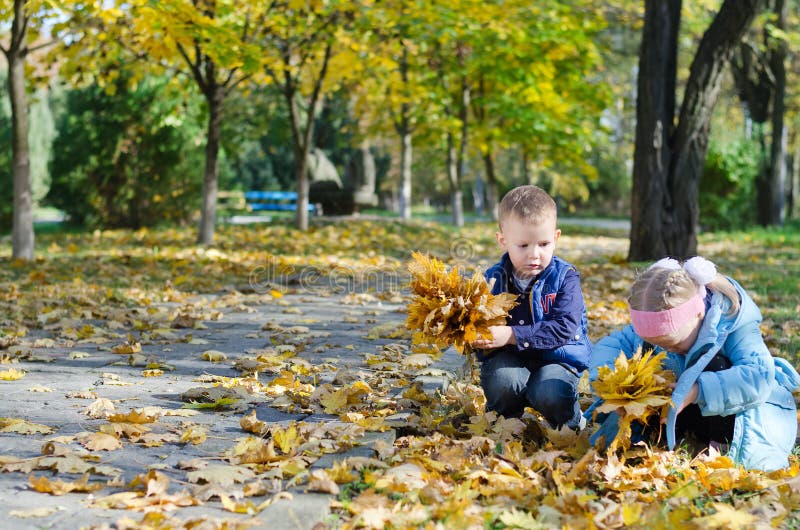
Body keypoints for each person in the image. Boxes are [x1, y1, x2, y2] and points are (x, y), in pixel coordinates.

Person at [588, 256, 800, 471]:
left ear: (698, 314)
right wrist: (612, 386)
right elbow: (609, 347)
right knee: (647, 364)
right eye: (658, 343)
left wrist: (697, 391)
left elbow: (758, 376)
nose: (667, 349)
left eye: (672, 343)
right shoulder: (656, 327)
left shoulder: (733, 322)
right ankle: (662, 439)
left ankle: (720, 448)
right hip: (681, 413)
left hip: (734, 414)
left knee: (716, 363)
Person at [472, 185, 592, 431]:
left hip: (558, 359)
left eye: (544, 244)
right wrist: (476, 336)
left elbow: (564, 327)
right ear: (503, 241)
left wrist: (511, 334)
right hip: (510, 359)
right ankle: (507, 425)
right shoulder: (492, 279)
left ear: (556, 238)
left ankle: (569, 423)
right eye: (523, 245)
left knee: (550, 390)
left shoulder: (565, 277)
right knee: (503, 382)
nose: (534, 254)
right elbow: (477, 323)